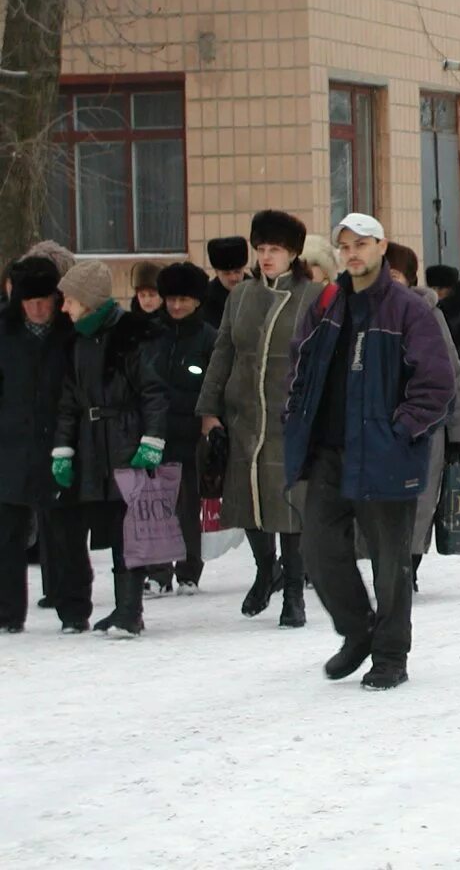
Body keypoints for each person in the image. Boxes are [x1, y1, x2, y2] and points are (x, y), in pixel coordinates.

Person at [284, 214, 455, 690]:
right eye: (344, 245)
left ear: (382, 246)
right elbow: (299, 367)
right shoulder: (327, 303)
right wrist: (294, 418)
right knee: (317, 551)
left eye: (361, 243)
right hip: (329, 452)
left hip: (385, 453)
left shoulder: (406, 310)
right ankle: (358, 632)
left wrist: (402, 431)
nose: (352, 252)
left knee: (389, 562)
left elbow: (436, 383)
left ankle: (390, 656)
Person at [196, 210, 323, 626]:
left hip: (291, 414)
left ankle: (293, 590)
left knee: (289, 502)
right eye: (262, 249)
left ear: (293, 254)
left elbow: (327, 360)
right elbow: (222, 354)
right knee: (248, 499)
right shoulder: (242, 296)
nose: (266, 257)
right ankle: (265, 567)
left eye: (276, 250)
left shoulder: (314, 296)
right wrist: (210, 412)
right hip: (245, 412)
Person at [49, 260, 169, 636]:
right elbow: (69, 402)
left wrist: (151, 442)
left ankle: (130, 610)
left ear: (87, 300)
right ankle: (122, 607)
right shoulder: (75, 341)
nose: (63, 307)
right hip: (91, 443)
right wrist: (63, 451)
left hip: (126, 437)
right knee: (110, 524)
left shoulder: (130, 334)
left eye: (69, 299)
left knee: (128, 526)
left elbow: (153, 392)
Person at [384, 243, 460, 587]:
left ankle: (408, 568)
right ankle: (388, 569)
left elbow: (452, 374)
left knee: (418, 503)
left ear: (409, 279)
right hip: (375, 425)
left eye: (394, 277)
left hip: (423, 428)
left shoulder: (426, 315)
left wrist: (459, 433)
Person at [0, 257, 74, 633]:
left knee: (61, 530)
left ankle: (70, 608)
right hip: (10, 445)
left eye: (44, 300)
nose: (38, 308)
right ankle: (7, 614)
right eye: (30, 301)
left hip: (59, 442)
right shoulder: (5, 331)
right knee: (7, 533)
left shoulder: (68, 333)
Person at [143, 262, 216, 596]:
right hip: (154, 431)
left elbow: (215, 385)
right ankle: (158, 571)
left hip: (190, 432)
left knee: (187, 505)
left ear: (197, 301)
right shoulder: (149, 333)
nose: (175, 306)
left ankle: (189, 569)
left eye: (183, 299)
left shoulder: (208, 338)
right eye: (170, 298)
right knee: (155, 504)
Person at [426, 264, 460, 372]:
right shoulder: (428, 309)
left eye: (441, 288)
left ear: (451, 288)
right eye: (433, 288)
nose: (436, 293)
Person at [202, 236, 249, 329]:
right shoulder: (205, 298)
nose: (233, 278)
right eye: (227, 273)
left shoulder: (259, 292)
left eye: (237, 271)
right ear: (216, 272)